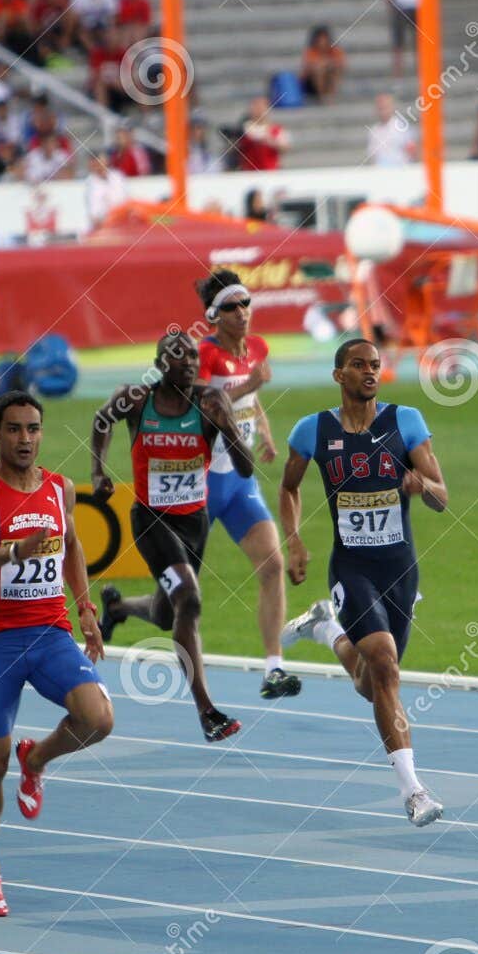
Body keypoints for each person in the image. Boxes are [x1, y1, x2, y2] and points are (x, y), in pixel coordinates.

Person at [0, 390, 111, 917]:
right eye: (14, 429)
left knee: (98, 718)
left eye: (33, 429)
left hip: (50, 631)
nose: (25, 439)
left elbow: (72, 546)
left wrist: (84, 606)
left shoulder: (60, 489)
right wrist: (13, 551)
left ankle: (36, 758)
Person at [278, 339, 449, 825]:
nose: (370, 372)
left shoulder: (407, 421)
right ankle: (414, 792)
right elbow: (289, 487)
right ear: (339, 375)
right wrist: (293, 541)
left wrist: (423, 486)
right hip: (350, 567)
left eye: (376, 365)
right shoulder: (312, 430)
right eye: (359, 365)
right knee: (385, 666)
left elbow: (443, 497)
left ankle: (323, 629)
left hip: (400, 568)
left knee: (371, 684)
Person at [92, 331, 252, 743]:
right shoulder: (137, 399)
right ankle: (207, 711)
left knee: (167, 614)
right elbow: (101, 420)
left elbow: (247, 468)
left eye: (194, 357)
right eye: (178, 357)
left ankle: (118, 606)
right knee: (190, 601)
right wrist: (98, 470)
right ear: (161, 363)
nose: (189, 363)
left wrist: (230, 432)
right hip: (150, 519)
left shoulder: (210, 402)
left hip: (193, 522)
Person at [193, 271, 302, 700]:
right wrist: (252, 384)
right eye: (231, 307)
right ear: (214, 315)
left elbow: (249, 402)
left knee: (273, 566)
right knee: (183, 589)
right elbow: (204, 403)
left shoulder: (257, 348)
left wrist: (265, 430)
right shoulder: (205, 352)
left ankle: (274, 668)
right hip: (199, 483)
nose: (242, 312)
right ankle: (124, 610)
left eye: (246, 303)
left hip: (239, 482)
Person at [236, 96, 290, 171]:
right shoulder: (244, 127)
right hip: (249, 173)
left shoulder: (276, 129)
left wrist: (270, 141)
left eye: (261, 107)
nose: (259, 110)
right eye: (256, 107)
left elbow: (285, 147)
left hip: (270, 172)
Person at [367, 93, 416, 167]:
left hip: (401, 171)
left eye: (385, 107)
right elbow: (373, 156)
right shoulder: (374, 130)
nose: (383, 111)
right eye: (380, 108)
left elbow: (412, 150)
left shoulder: (402, 126)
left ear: (392, 107)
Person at [300, 25, 346, 103]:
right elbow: (308, 68)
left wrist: (329, 64)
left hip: (329, 79)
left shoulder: (334, 50)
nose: (322, 42)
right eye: (320, 39)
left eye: (324, 39)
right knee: (319, 70)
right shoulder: (311, 51)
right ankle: (322, 97)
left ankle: (330, 96)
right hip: (311, 84)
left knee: (335, 69)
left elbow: (341, 64)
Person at [385, 0, 419, 75]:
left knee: (419, 40)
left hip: (418, 3)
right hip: (400, 3)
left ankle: (420, 68)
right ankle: (398, 71)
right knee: (398, 41)